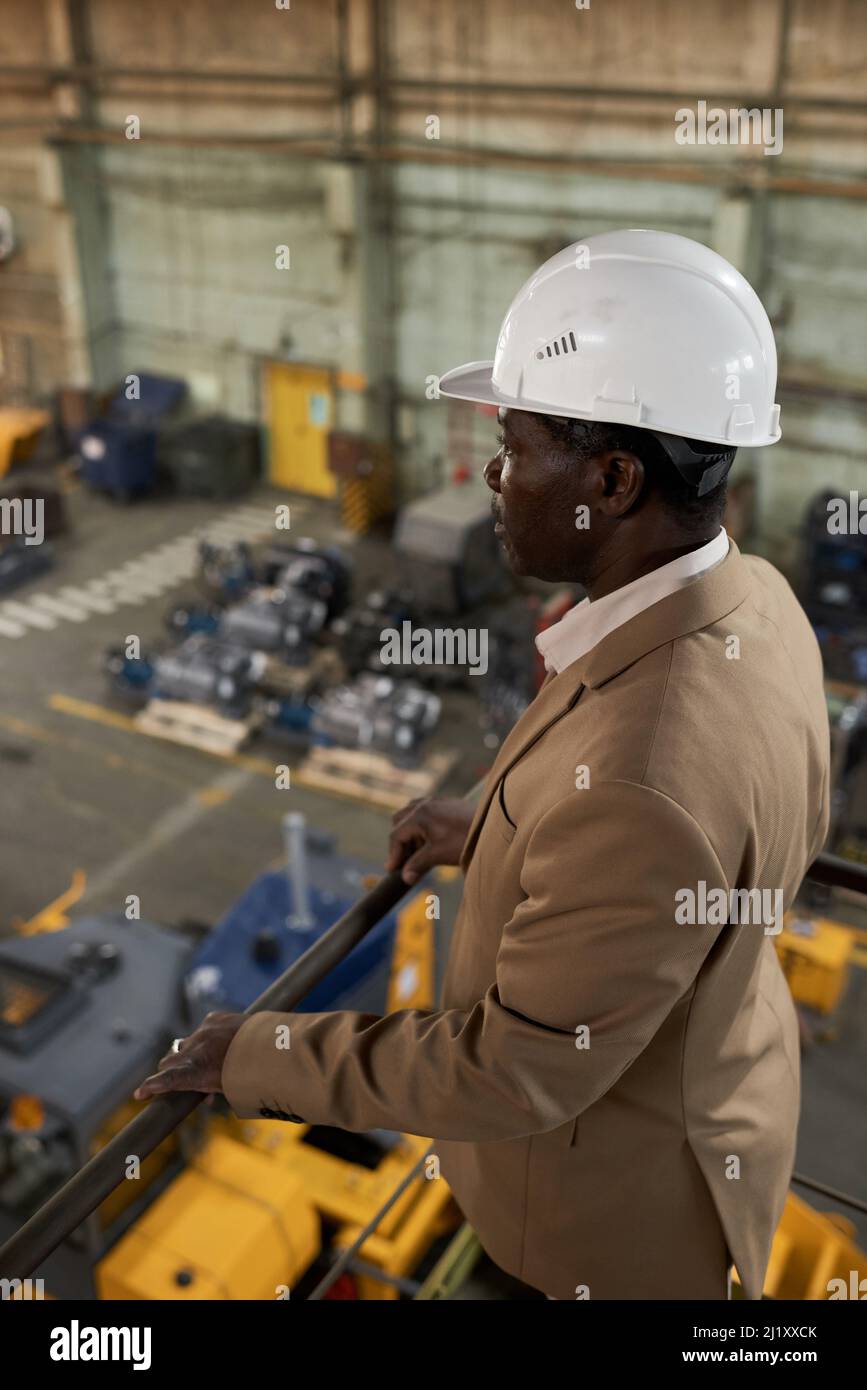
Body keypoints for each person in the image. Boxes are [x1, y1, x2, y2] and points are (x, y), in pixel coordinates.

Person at [137, 230, 830, 1300]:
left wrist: (254, 1055)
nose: (494, 476)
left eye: (513, 444)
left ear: (613, 476)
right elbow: (682, 846)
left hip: (597, 1232)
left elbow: (511, 1067)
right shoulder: (760, 606)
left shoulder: (645, 776)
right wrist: (504, 831)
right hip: (718, 1087)